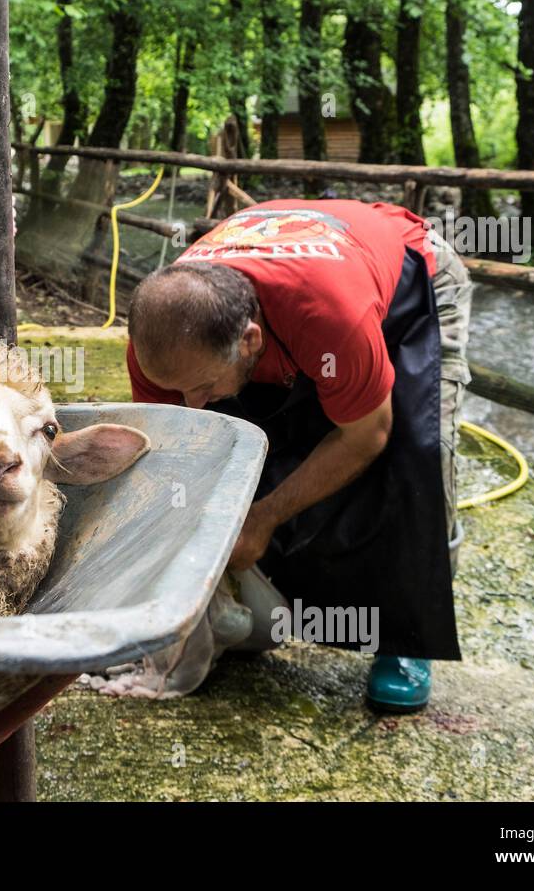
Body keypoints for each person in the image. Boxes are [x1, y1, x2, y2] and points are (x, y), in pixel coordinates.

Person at [118, 199, 473, 712]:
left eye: (200, 386)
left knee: (418, 446)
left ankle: (405, 637)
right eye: (176, 388)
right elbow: (173, 450)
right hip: (290, 278)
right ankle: (261, 600)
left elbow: (365, 434)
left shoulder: (327, 316)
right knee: (244, 432)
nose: (189, 403)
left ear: (250, 343)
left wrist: (260, 520)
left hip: (410, 279)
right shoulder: (162, 339)